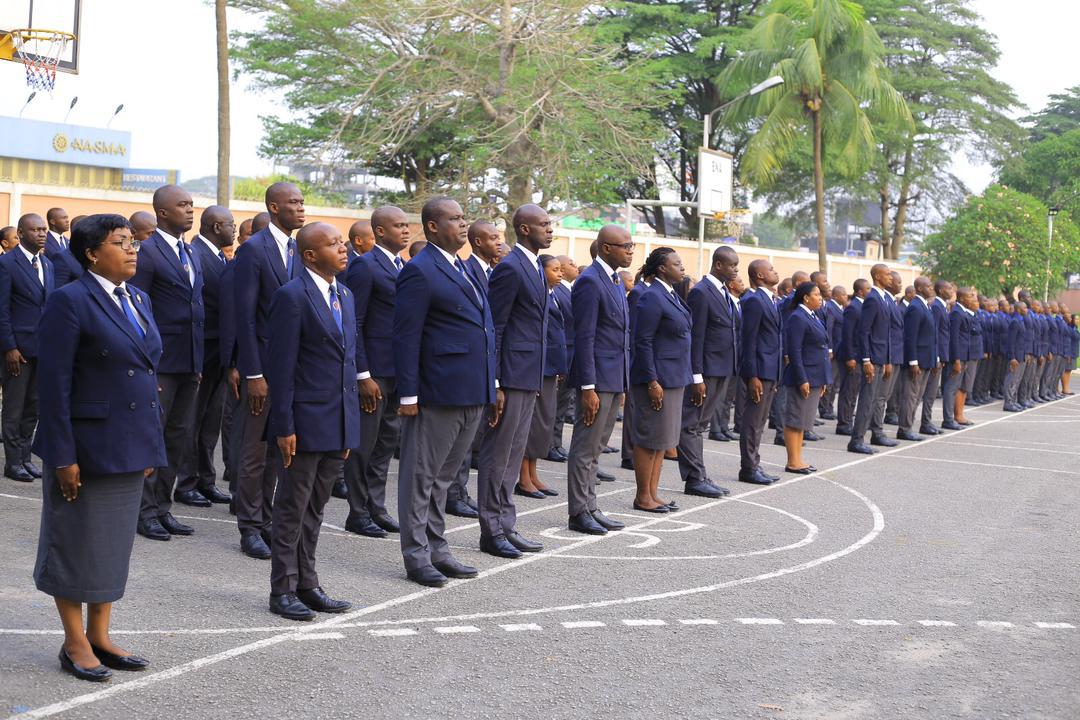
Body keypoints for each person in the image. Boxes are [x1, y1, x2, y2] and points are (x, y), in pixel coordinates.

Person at [34, 213, 166, 681]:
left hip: (130, 443)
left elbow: (147, 374)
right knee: (74, 541)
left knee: (111, 545)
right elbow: (53, 385)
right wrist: (63, 455)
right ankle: (73, 642)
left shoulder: (139, 298)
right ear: (92, 253)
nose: (133, 249)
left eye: (133, 242)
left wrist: (150, 445)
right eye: (120, 242)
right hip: (86, 447)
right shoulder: (70, 300)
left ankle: (100, 635)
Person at [392, 196, 496, 587]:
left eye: (464, 217)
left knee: (445, 478)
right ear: (433, 227)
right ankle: (416, 556)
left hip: (472, 388)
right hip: (438, 390)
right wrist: (408, 395)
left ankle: (438, 548)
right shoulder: (420, 270)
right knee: (421, 477)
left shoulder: (466, 267)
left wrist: (492, 383)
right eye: (455, 219)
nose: (464, 224)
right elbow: (405, 337)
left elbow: (484, 329)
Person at [265, 222, 359, 621]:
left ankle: (308, 582)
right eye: (333, 244)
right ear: (309, 256)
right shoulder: (292, 297)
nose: (344, 249)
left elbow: (347, 360)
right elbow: (281, 369)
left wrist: (348, 424)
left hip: (337, 420)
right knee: (292, 507)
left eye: (342, 243)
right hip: (303, 420)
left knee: (316, 508)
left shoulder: (346, 295)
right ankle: (283, 589)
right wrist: (284, 426)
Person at [232, 182, 305, 559]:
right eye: (293, 203)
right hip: (262, 367)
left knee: (281, 450)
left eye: (302, 202)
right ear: (274, 208)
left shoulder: (296, 249)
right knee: (254, 451)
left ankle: (270, 517)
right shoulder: (253, 251)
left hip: (291, 368)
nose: (301, 208)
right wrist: (253, 373)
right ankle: (250, 526)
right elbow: (243, 317)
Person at [476, 205, 552, 558]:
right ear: (523, 229)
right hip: (510, 375)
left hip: (529, 373)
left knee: (513, 453)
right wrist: (496, 382)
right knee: (498, 454)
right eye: (543, 225)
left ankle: (506, 524)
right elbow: (498, 327)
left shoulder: (534, 265)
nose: (549, 230)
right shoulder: (510, 267)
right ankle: (491, 530)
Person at [129, 185, 203, 541]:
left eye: (191, 205)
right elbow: (138, 311)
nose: (190, 211)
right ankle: (144, 512)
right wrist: (148, 364)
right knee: (152, 437)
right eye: (183, 205)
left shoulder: (189, 252)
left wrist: (198, 361)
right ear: (162, 212)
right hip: (160, 364)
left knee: (178, 436)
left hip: (189, 362)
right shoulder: (148, 253)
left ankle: (163, 507)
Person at [342, 206, 410, 539]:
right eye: (399, 226)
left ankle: (376, 506)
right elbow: (354, 323)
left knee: (386, 442)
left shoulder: (404, 266)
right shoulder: (365, 266)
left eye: (406, 225)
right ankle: (357, 511)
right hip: (374, 372)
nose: (406, 231)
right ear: (380, 231)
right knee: (364, 444)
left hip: (399, 370)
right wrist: (362, 374)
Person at [564, 225, 634, 534]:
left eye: (631, 245)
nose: (631, 250)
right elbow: (586, 337)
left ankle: (591, 506)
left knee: (597, 447)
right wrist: (588, 387)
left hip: (613, 377)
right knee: (585, 447)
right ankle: (579, 512)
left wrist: (623, 382)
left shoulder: (615, 279)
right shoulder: (590, 281)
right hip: (597, 380)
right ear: (606, 248)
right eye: (625, 246)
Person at [174, 206, 235, 507]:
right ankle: (186, 483)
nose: (234, 229)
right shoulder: (195, 253)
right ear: (215, 226)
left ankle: (205, 479)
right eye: (230, 224)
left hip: (219, 352)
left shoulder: (219, 255)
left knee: (211, 422)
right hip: (201, 349)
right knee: (192, 420)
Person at [445, 219, 501, 519]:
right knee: (460, 443)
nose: (499, 243)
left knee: (471, 438)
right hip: (462, 367)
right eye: (493, 238)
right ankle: (454, 493)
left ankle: (460, 491)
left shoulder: (489, 271)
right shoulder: (468, 269)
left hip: (481, 367)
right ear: (478, 242)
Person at [630, 248, 692, 511]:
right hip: (658, 379)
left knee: (662, 440)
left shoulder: (670, 295)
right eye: (677, 264)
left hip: (675, 376)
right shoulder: (652, 297)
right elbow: (642, 341)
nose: (683, 268)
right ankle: (643, 496)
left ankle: (653, 494)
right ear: (662, 268)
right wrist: (652, 380)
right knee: (649, 438)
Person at [676, 245, 739, 499]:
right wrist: (697, 375)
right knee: (692, 424)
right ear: (718, 265)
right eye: (732, 265)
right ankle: (693, 478)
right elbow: (697, 336)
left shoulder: (722, 292)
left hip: (722, 369)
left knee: (700, 424)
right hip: (706, 371)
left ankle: (700, 474)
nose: (736, 269)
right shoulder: (702, 292)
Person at [0, 214, 54, 482]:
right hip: (17, 350)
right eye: (35, 230)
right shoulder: (7, 264)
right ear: (20, 233)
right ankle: (12, 463)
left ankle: (24, 457)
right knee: (14, 406)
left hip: (42, 348)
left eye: (44, 229)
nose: (42, 234)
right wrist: (9, 346)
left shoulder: (47, 264)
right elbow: (2, 309)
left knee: (33, 406)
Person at [519, 254, 566, 498]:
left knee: (543, 425)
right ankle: (523, 477)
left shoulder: (554, 295)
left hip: (551, 368)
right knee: (532, 424)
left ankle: (534, 473)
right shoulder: (539, 295)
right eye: (554, 269)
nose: (559, 274)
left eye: (561, 269)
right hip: (538, 366)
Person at [737, 259, 783, 485]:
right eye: (771, 270)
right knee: (753, 420)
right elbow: (749, 341)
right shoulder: (754, 300)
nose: (776, 272)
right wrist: (752, 375)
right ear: (760, 275)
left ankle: (755, 462)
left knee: (760, 420)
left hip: (770, 369)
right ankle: (748, 467)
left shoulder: (771, 299)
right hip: (759, 370)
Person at [780, 282, 830, 473]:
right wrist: (802, 379)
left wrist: (822, 378)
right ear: (806, 298)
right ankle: (792, 461)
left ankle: (798, 458)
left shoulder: (813, 315)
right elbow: (795, 351)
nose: (820, 298)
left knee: (803, 420)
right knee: (795, 418)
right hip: (803, 376)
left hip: (816, 375)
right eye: (816, 295)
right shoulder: (798, 317)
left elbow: (821, 347)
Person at [848, 264, 896, 455]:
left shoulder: (883, 298)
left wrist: (886, 360)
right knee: (867, 400)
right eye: (887, 275)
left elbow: (884, 333)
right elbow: (864, 331)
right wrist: (866, 360)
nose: (891, 277)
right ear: (877, 276)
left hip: (880, 357)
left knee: (874, 398)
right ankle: (856, 440)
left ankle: (865, 437)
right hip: (871, 358)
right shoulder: (873, 299)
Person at [897, 277, 936, 441]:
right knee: (910, 395)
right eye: (928, 285)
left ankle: (909, 426)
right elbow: (910, 337)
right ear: (919, 288)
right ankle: (904, 429)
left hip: (926, 359)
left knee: (917, 396)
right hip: (917, 361)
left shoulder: (925, 306)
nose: (931, 288)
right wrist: (913, 361)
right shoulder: (915, 307)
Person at [549, 255, 578, 461]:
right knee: (555, 402)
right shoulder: (556, 290)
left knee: (562, 402)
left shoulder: (570, 290)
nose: (574, 266)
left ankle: (556, 442)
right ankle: (549, 444)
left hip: (570, 352)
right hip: (561, 351)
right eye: (570, 264)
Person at [943, 287, 981, 429]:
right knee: (951, 388)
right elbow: (954, 339)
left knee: (963, 387)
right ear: (963, 299)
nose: (973, 298)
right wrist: (957, 360)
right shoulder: (957, 313)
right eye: (970, 296)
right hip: (959, 357)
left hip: (967, 356)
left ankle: (959, 416)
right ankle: (948, 419)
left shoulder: (964, 312)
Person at [836, 279, 869, 434]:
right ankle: (844, 424)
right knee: (848, 391)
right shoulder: (853, 308)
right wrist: (850, 357)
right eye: (868, 289)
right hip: (852, 356)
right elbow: (847, 335)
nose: (871, 291)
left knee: (854, 390)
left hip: (859, 355)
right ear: (860, 291)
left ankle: (848, 420)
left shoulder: (863, 306)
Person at [819, 283, 846, 420]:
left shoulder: (840, 308)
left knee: (835, 383)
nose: (846, 297)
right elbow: (828, 330)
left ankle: (829, 407)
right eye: (843, 294)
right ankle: (824, 409)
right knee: (829, 382)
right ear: (835, 296)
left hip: (839, 351)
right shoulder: (831, 308)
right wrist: (829, 349)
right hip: (833, 351)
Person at [44, 207, 83, 287]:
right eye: (64, 218)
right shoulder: (44, 241)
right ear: (52, 222)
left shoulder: (68, 242)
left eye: (67, 218)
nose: (67, 221)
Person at [1002, 301, 1029, 412]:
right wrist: (1012, 357)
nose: (1027, 309)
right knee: (1011, 379)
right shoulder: (1015, 322)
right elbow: (1011, 342)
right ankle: (1008, 403)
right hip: (1015, 357)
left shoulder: (1020, 321)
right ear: (1019, 309)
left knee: (1017, 379)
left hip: (1021, 355)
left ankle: (1013, 401)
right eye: (1025, 308)